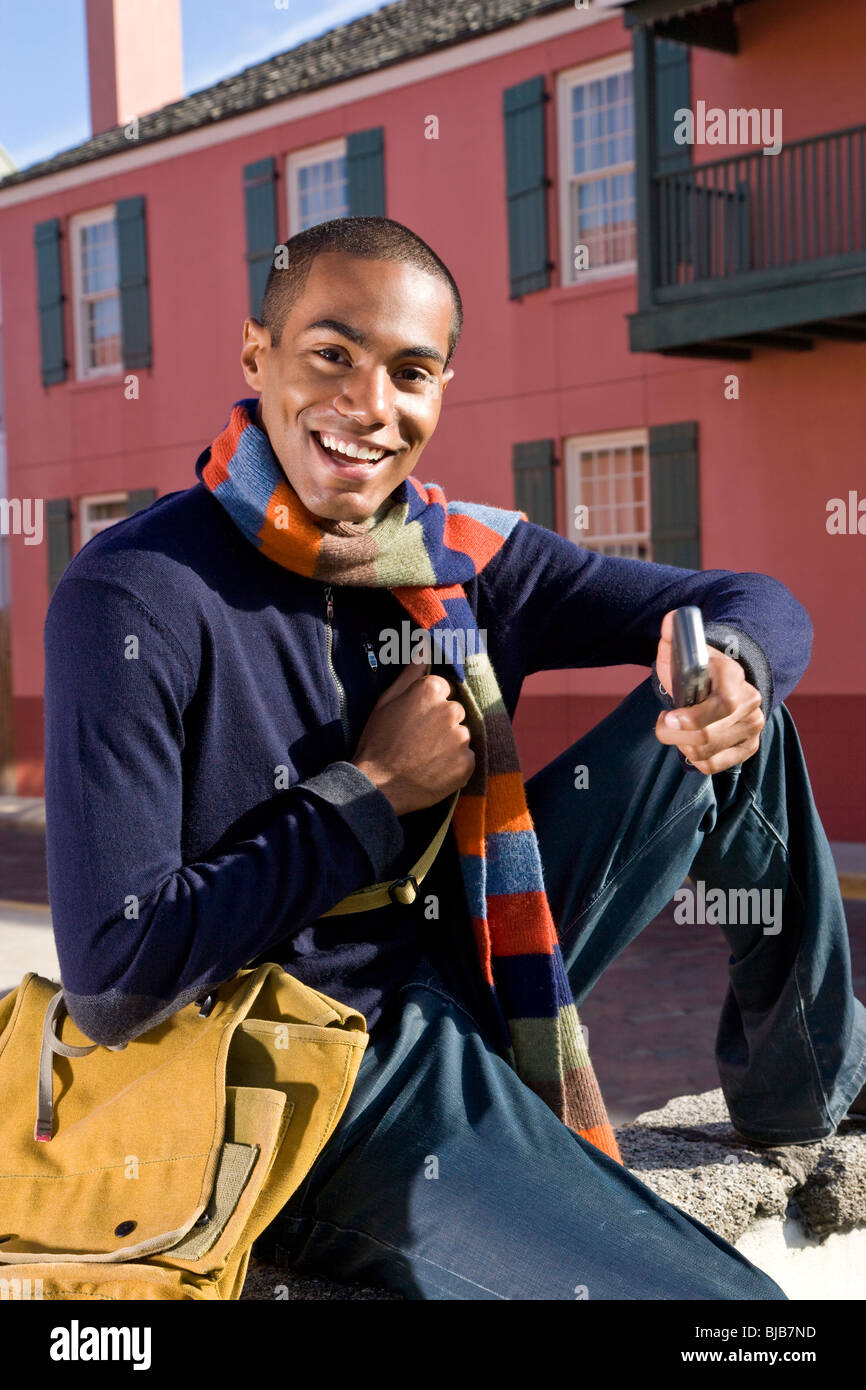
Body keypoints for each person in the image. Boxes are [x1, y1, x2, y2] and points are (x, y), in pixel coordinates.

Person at [44, 216, 866, 1300]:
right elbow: (113, 975)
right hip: (320, 1057)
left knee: (722, 700)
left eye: (409, 371)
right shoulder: (134, 591)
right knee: (726, 1319)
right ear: (257, 357)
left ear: (440, 391)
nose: (367, 406)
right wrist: (370, 795)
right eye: (330, 355)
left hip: (474, 950)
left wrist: (735, 674)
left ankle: (801, 1093)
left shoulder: (462, 554)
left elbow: (745, 599)